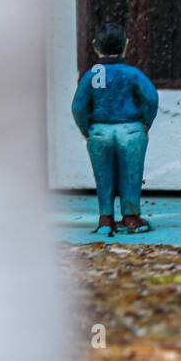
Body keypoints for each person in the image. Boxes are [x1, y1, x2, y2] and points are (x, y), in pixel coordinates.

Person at [71, 23, 159, 235]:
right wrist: (145, 122)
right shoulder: (132, 73)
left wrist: (86, 128)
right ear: (126, 45)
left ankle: (105, 219)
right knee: (131, 172)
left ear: (95, 46)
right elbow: (151, 98)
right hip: (131, 129)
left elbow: (79, 106)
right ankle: (131, 217)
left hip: (100, 130)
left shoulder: (92, 74)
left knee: (103, 175)